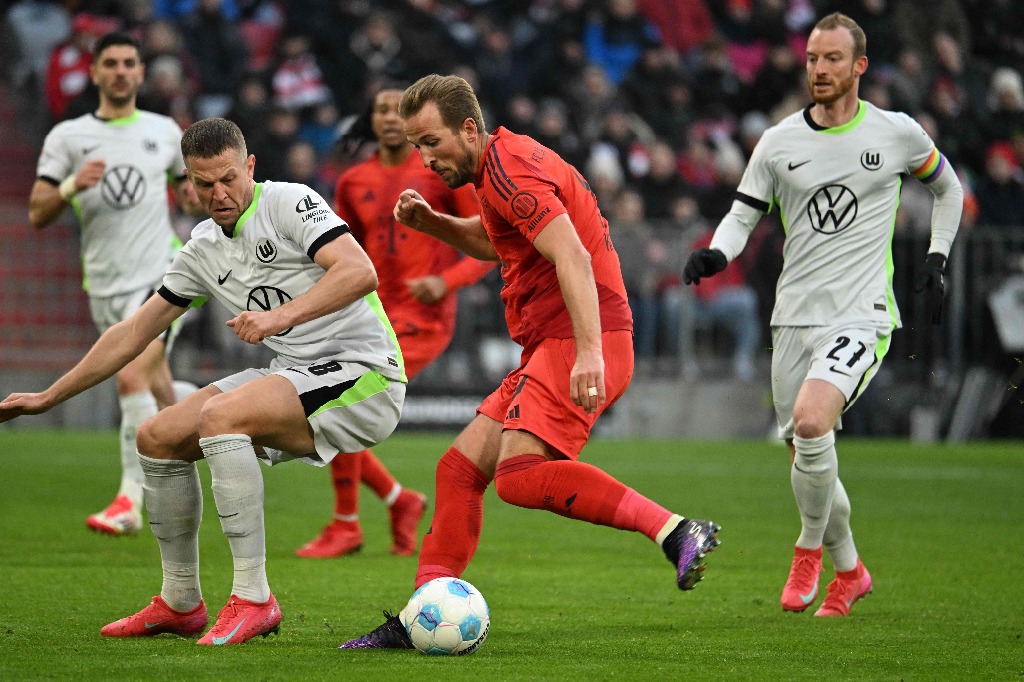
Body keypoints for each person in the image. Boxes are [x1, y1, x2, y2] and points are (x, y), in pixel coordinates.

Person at [339, 74, 720, 650]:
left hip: (578, 340)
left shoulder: (511, 172)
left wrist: (589, 352)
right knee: (458, 470)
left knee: (517, 479)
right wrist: (436, 224)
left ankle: (673, 530)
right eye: (416, 146)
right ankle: (423, 613)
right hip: (553, 344)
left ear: (469, 129)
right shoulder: (499, 167)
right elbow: (502, 243)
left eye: (432, 143)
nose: (423, 159)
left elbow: (569, 252)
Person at [2, 117, 407, 645]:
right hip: (292, 372)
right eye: (203, 182)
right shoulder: (199, 249)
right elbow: (132, 333)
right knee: (158, 437)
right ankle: (180, 601)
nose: (219, 193)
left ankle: (255, 597)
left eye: (229, 178)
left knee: (221, 417)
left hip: (365, 373)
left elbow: (359, 272)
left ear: (250, 167)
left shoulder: (290, 202)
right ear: (188, 182)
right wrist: (49, 395)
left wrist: (279, 318)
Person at [682, 13, 963, 617]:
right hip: (793, 319)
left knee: (812, 423)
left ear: (859, 66)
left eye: (832, 59)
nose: (819, 69)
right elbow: (743, 213)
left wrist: (938, 257)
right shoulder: (780, 141)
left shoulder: (896, 133)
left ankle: (807, 550)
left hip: (861, 315)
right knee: (808, 456)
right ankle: (851, 571)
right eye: (812, 58)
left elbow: (949, 188)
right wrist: (716, 253)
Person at [296, 85, 495, 559]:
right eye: (380, 109)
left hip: (423, 320)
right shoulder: (353, 181)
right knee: (328, 406)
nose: (388, 118)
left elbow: (490, 245)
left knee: (339, 401)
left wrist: (445, 282)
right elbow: (340, 255)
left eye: (396, 110)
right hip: (367, 316)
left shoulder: (439, 173)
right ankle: (398, 501)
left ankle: (348, 523)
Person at [28, 32, 202, 537]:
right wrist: (70, 185)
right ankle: (234, 416)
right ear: (96, 72)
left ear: (141, 72)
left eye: (131, 62)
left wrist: (194, 198)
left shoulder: (165, 131)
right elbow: (39, 212)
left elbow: (187, 191)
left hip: (163, 275)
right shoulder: (69, 138)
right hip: (104, 281)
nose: (122, 71)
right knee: (160, 389)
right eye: (112, 63)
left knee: (130, 377)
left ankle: (129, 501)